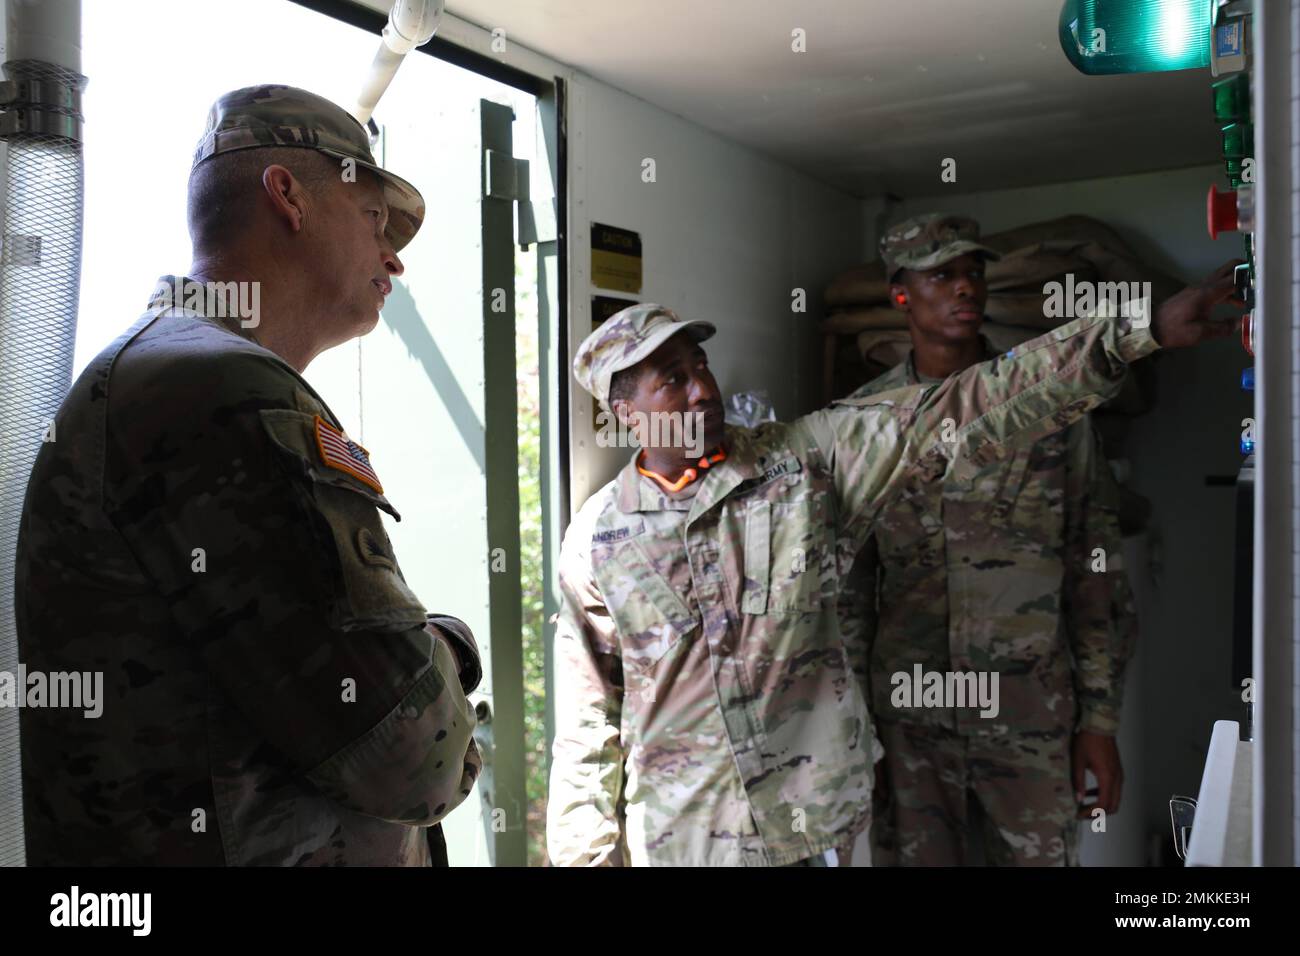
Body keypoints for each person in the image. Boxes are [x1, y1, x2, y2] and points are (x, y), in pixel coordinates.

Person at [546, 253, 1241, 866]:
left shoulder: (808, 464)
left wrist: (1134, 333)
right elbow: (587, 725)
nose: (703, 388)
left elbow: (970, 404)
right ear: (624, 412)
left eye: (700, 365)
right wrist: (584, 857)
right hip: (686, 842)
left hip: (814, 829)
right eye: (673, 378)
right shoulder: (599, 542)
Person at [15, 85, 481, 865]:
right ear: (288, 195)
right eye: (374, 219)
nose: (393, 255)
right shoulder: (224, 394)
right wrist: (452, 650)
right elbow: (409, 755)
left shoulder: (167, 374)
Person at [839, 213, 1139, 866]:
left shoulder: (1047, 404)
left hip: (1027, 716)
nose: (965, 287)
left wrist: (1101, 723)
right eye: (941, 274)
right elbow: (851, 593)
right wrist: (858, 734)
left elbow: (1096, 568)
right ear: (901, 294)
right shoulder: (865, 424)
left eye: (973, 271)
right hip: (911, 724)